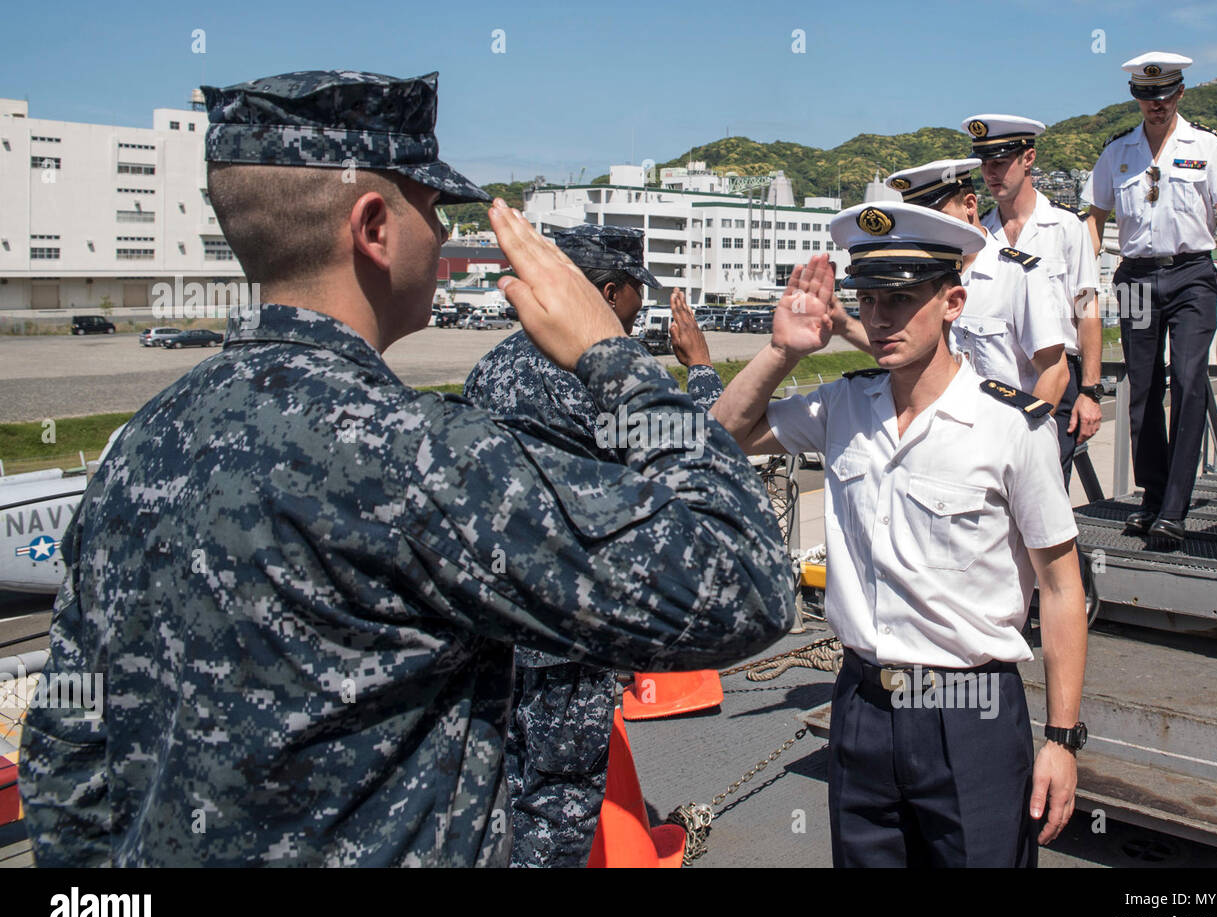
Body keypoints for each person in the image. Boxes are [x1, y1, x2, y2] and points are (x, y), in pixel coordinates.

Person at [18, 70, 795, 867]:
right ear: (373, 226)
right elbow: (743, 583)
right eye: (431, 207)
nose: (441, 230)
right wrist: (615, 357)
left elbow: (68, 759)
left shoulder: (137, 446)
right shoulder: (416, 454)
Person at [710, 201, 1088, 867]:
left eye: (902, 299)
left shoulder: (1014, 426)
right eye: (869, 299)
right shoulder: (844, 405)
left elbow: (1061, 587)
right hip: (861, 706)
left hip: (971, 712)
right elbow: (725, 434)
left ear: (953, 301)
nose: (880, 319)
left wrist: (1061, 737)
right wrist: (781, 350)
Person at [463, 226, 724, 867]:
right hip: (567, 637)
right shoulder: (601, 378)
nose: (644, 311)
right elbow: (701, 460)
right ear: (607, 292)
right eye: (637, 295)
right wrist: (701, 371)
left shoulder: (489, 369)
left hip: (490, 626)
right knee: (558, 804)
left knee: (495, 792)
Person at [1082, 51, 1217, 545]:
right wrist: (1074, 277)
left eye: (1163, 96)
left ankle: (1175, 508)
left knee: (1192, 381)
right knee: (1142, 386)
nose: (1155, 105)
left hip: (1193, 275)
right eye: (1145, 96)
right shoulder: (1117, 152)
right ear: (1136, 98)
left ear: (1179, 94)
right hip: (1135, 278)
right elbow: (1094, 219)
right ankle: (1153, 496)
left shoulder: (1207, 146)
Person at [964, 114, 1103, 485]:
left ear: (1028, 158)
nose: (991, 174)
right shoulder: (980, 235)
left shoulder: (1067, 227)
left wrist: (1090, 392)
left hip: (1055, 377)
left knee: (1045, 495)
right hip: (993, 377)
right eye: (985, 164)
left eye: (1000, 163)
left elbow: (1086, 310)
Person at [884, 159, 1069, 411]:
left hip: (999, 434)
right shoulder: (918, 283)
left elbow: (1054, 371)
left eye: (939, 218)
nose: (930, 232)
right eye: (920, 223)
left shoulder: (1019, 275)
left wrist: (1023, 440)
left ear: (970, 205)